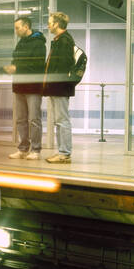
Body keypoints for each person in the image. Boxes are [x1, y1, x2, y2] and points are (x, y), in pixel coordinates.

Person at [2, 16, 45, 159]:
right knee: (21, 119)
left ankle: (36, 150)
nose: (16, 31)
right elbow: (16, 61)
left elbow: (38, 66)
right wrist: (11, 68)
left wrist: (17, 67)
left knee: (34, 119)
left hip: (33, 87)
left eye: (17, 28)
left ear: (26, 27)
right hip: (19, 86)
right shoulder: (20, 43)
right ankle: (23, 149)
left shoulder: (39, 43)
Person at [42, 12, 78, 164]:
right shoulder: (58, 40)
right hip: (56, 87)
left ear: (57, 24)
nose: (48, 25)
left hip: (60, 87)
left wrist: (52, 83)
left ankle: (65, 153)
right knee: (59, 120)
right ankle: (62, 152)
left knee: (62, 120)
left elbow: (62, 66)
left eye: (50, 22)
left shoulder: (64, 41)